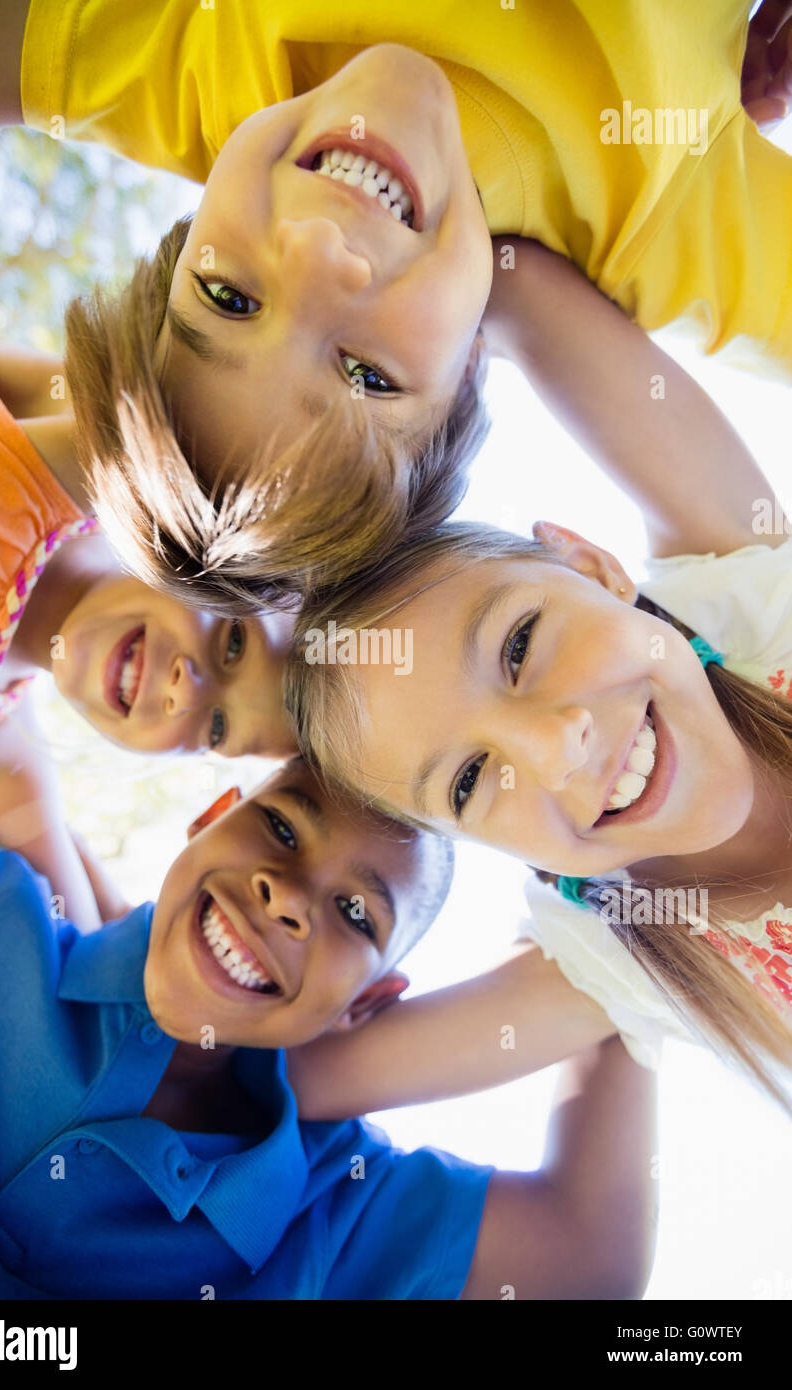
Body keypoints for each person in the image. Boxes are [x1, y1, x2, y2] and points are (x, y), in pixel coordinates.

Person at [0, 2, 790, 607]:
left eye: (227, 297)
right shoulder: (654, 226)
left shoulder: (199, 62)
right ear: (470, 367)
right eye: (367, 376)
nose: (317, 252)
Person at [285, 239, 792, 1111]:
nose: (558, 748)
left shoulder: (754, 599)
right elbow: (296, 1082)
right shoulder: (615, 953)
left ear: (592, 568)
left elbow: (513, 285)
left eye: (520, 647)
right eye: (473, 778)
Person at [0, 756, 656, 1300]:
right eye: (279, 825)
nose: (287, 897)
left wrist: (623, 922)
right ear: (210, 816)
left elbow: (590, 1262)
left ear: (366, 1005)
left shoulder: (332, 1203)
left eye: (355, 915)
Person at [0, 324, 296, 931]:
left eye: (218, 726)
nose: (184, 688)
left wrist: (125, 926)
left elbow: (64, 888)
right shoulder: (69, 460)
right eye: (234, 641)